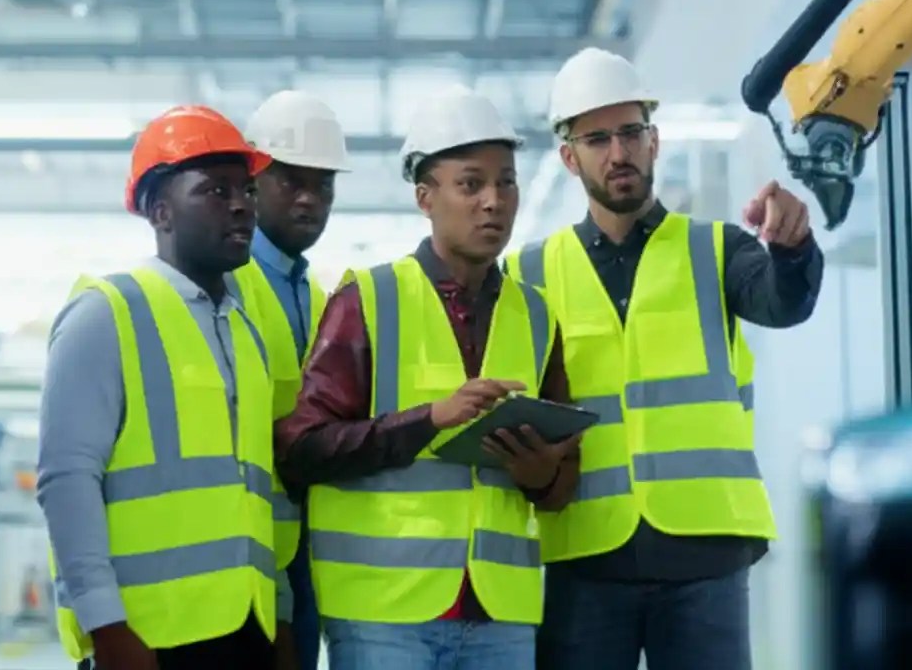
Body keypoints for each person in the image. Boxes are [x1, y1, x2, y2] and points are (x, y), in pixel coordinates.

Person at [504, 47, 825, 670]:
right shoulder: (530, 274)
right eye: (598, 139)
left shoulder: (716, 248)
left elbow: (783, 302)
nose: (618, 153)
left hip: (705, 554)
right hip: (585, 554)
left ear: (654, 141)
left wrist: (792, 248)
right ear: (570, 158)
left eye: (630, 133)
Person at [274, 85, 581, 670]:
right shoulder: (367, 299)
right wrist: (429, 419)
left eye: (507, 182)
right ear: (425, 197)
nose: (494, 201)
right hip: (383, 617)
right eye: (471, 184)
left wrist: (541, 477)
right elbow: (301, 449)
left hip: (501, 614)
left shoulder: (538, 315)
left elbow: (564, 478)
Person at [37, 105, 291, 670]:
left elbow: (254, 491)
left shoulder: (244, 331)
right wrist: (107, 628)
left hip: (246, 629)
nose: (242, 206)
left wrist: (280, 615)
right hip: (146, 640)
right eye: (215, 190)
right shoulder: (105, 314)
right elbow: (67, 480)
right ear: (160, 212)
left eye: (247, 190)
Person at [235, 89, 352, 670]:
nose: (310, 199)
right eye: (292, 181)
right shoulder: (223, 286)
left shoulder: (319, 298)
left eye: (323, 184)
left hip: (305, 554)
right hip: (245, 565)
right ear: (253, 181)